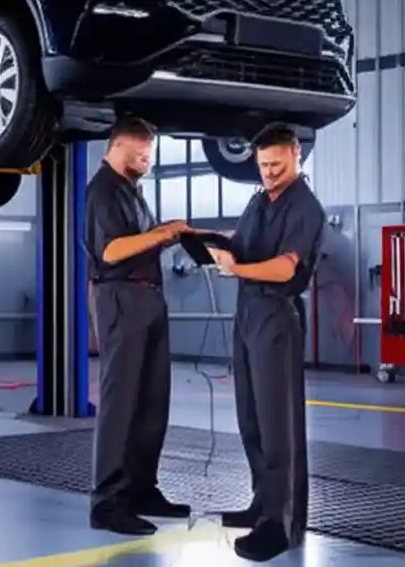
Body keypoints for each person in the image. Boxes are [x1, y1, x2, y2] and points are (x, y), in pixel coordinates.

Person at [208, 123, 325, 562]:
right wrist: (210, 244)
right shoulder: (258, 202)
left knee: (279, 426)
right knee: (252, 419)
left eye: (277, 164)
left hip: (277, 314)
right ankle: (262, 503)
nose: (270, 172)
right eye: (263, 165)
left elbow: (284, 268)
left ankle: (281, 523)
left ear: (296, 154)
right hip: (247, 313)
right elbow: (243, 245)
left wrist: (236, 270)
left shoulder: (305, 207)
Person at [84, 115, 193, 536]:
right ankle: (108, 502)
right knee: (121, 402)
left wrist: (169, 233)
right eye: (141, 155)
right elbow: (111, 250)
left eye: (151, 155)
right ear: (117, 147)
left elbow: (140, 241)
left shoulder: (133, 191)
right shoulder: (103, 191)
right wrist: (162, 235)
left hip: (148, 296)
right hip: (120, 297)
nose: (148, 161)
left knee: (151, 400)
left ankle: (142, 489)